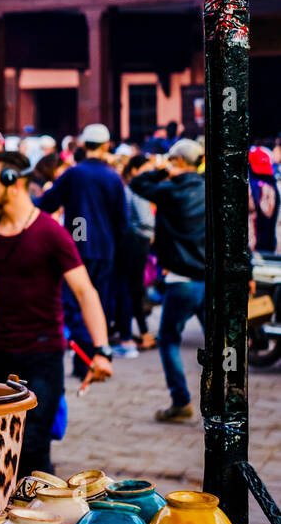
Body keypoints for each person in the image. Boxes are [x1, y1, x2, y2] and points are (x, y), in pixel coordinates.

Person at [0, 150, 114, 476]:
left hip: (42, 356)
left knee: (33, 445)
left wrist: (102, 350)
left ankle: (36, 503)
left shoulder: (51, 233)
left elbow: (85, 291)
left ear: (13, 183)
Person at [34, 123, 127, 374]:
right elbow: (122, 221)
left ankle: (83, 361)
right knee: (99, 303)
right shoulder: (113, 177)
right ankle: (95, 356)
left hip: (78, 246)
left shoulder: (75, 174)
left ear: (84, 145)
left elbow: (47, 203)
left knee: (75, 304)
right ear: (106, 145)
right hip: (105, 249)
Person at [131, 139, 207, 422]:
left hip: (181, 279)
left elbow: (137, 183)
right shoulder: (208, 189)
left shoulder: (169, 189)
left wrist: (163, 170)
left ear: (178, 161)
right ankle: (223, 398)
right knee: (218, 343)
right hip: (207, 278)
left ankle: (181, 400)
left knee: (168, 340)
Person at [117, 154, 157, 354]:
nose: (149, 173)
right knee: (135, 287)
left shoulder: (130, 188)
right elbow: (145, 219)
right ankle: (143, 332)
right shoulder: (136, 188)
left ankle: (140, 331)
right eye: (145, 170)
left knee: (133, 287)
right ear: (134, 170)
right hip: (138, 241)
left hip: (134, 241)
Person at [248, 145, 279, 254]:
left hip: (268, 251)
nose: (262, 184)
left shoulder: (272, 189)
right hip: (253, 250)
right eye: (258, 176)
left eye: (265, 177)